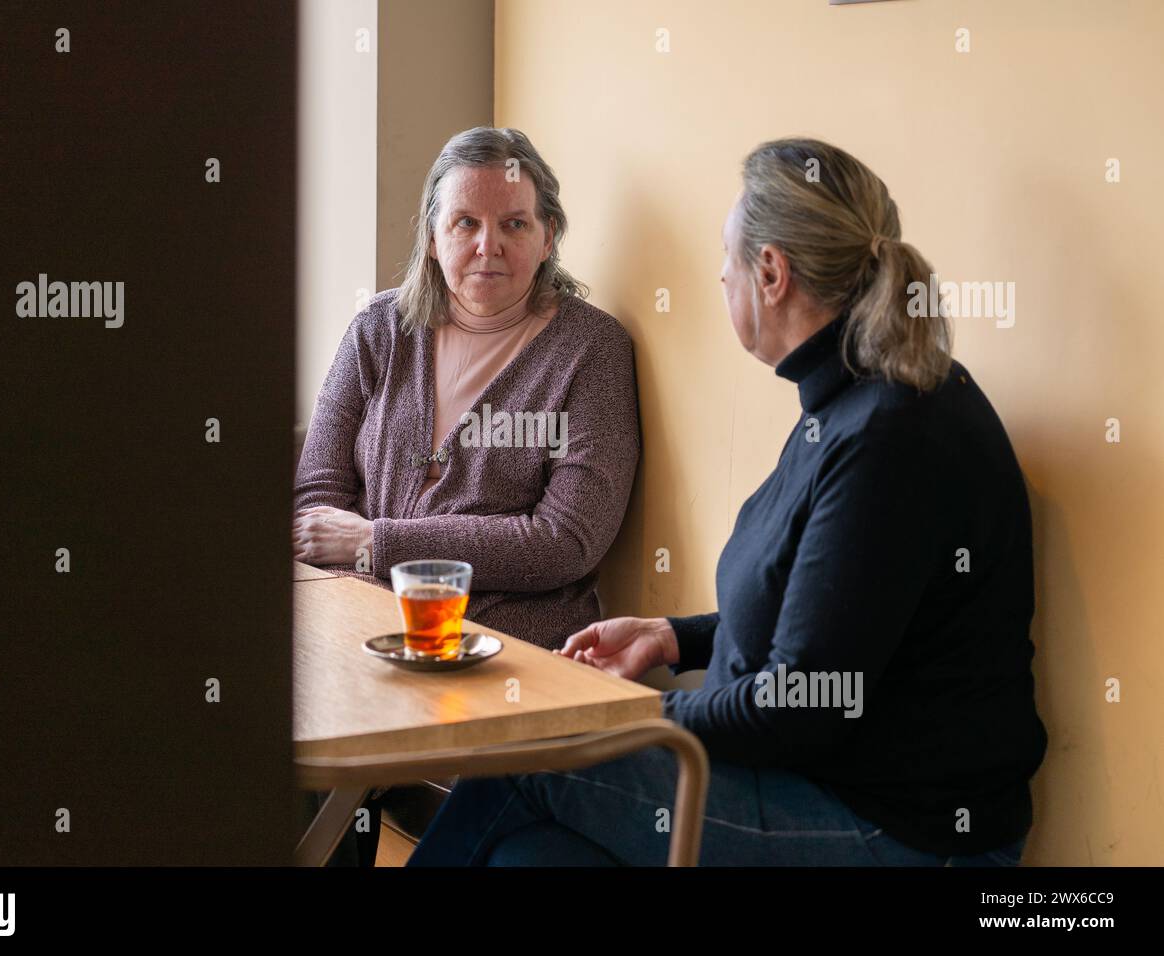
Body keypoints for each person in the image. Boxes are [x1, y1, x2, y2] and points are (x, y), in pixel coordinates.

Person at [407, 137, 1048, 866]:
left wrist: (633, 716)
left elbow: (799, 704)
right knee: (526, 857)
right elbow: (827, 611)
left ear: (770, 273)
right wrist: (673, 637)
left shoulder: (889, 437)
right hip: (820, 783)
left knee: (526, 745)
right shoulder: (856, 402)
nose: (719, 273)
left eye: (727, 255)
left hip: (899, 831)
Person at [293, 126, 641, 864]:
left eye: (515, 223)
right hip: (364, 644)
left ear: (549, 237)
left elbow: (565, 542)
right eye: (466, 223)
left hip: (507, 664)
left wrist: (376, 543)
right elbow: (315, 499)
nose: (490, 246)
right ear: (431, 234)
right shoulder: (378, 330)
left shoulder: (591, 351)